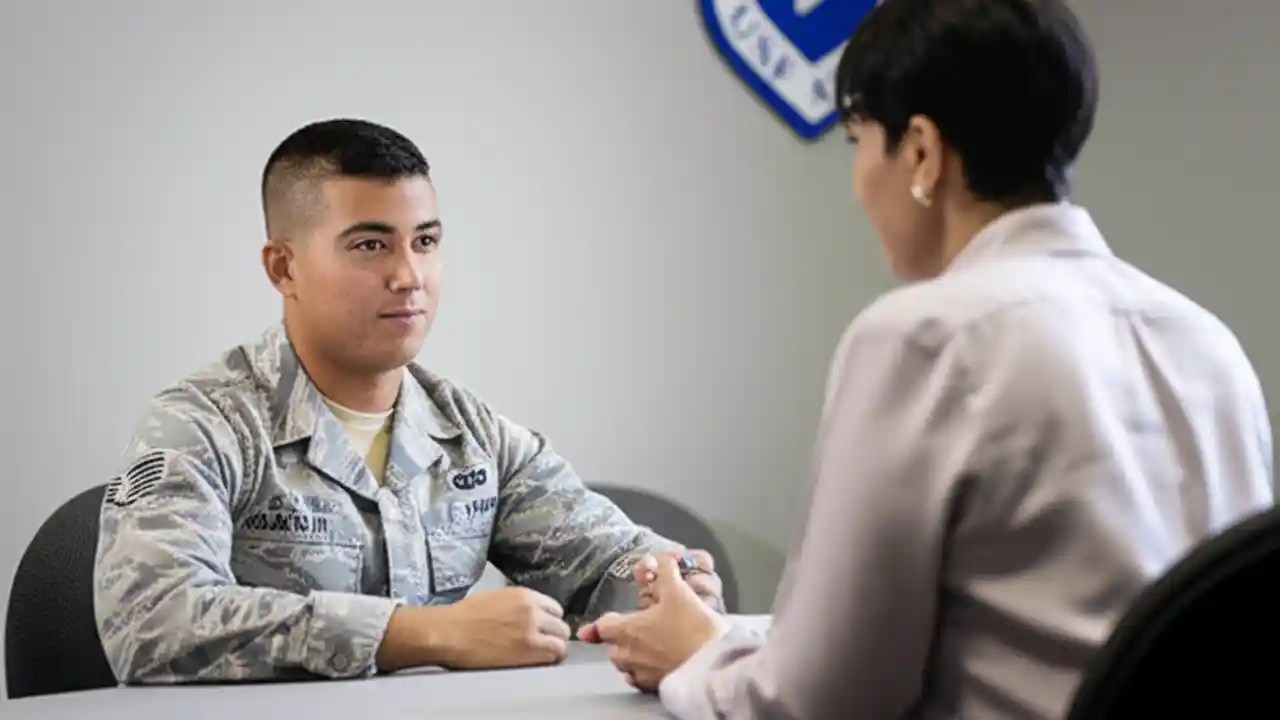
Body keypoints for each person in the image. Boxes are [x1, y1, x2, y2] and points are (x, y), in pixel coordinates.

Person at [579, 0, 1275, 717]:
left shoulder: (926, 337)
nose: (857, 183)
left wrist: (698, 657)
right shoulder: (1207, 342)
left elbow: (820, 701)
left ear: (920, 152)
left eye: (857, 142)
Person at [92, 118, 725, 684]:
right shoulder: (204, 425)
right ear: (283, 268)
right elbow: (151, 621)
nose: (409, 275)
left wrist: (672, 584)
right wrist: (424, 633)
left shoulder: (473, 436)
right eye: (371, 245)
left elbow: (606, 556)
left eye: (424, 242)